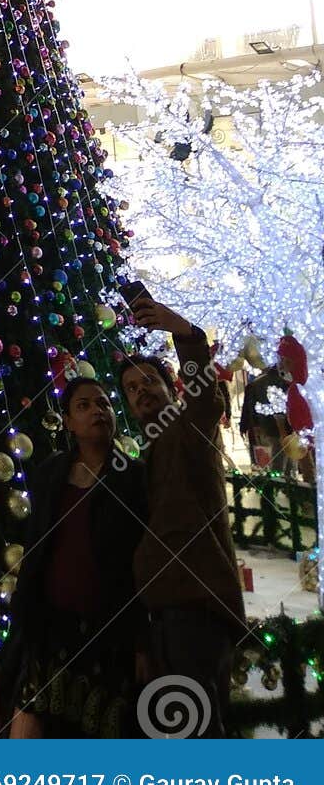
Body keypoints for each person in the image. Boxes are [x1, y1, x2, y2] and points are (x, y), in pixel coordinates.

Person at [119, 294, 247, 738]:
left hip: (197, 608)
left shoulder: (186, 428)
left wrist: (186, 335)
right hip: (166, 614)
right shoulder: (152, 451)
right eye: (131, 389)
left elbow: (206, 401)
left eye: (148, 382)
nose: (141, 392)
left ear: (169, 385)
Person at [0, 374, 147, 738]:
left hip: (109, 635)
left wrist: (143, 642)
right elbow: (36, 550)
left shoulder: (134, 477)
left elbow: (142, 563)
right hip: (49, 632)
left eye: (104, 403)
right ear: (67, 422)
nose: (98, 411)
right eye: (84, 406)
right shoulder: (51, 473)